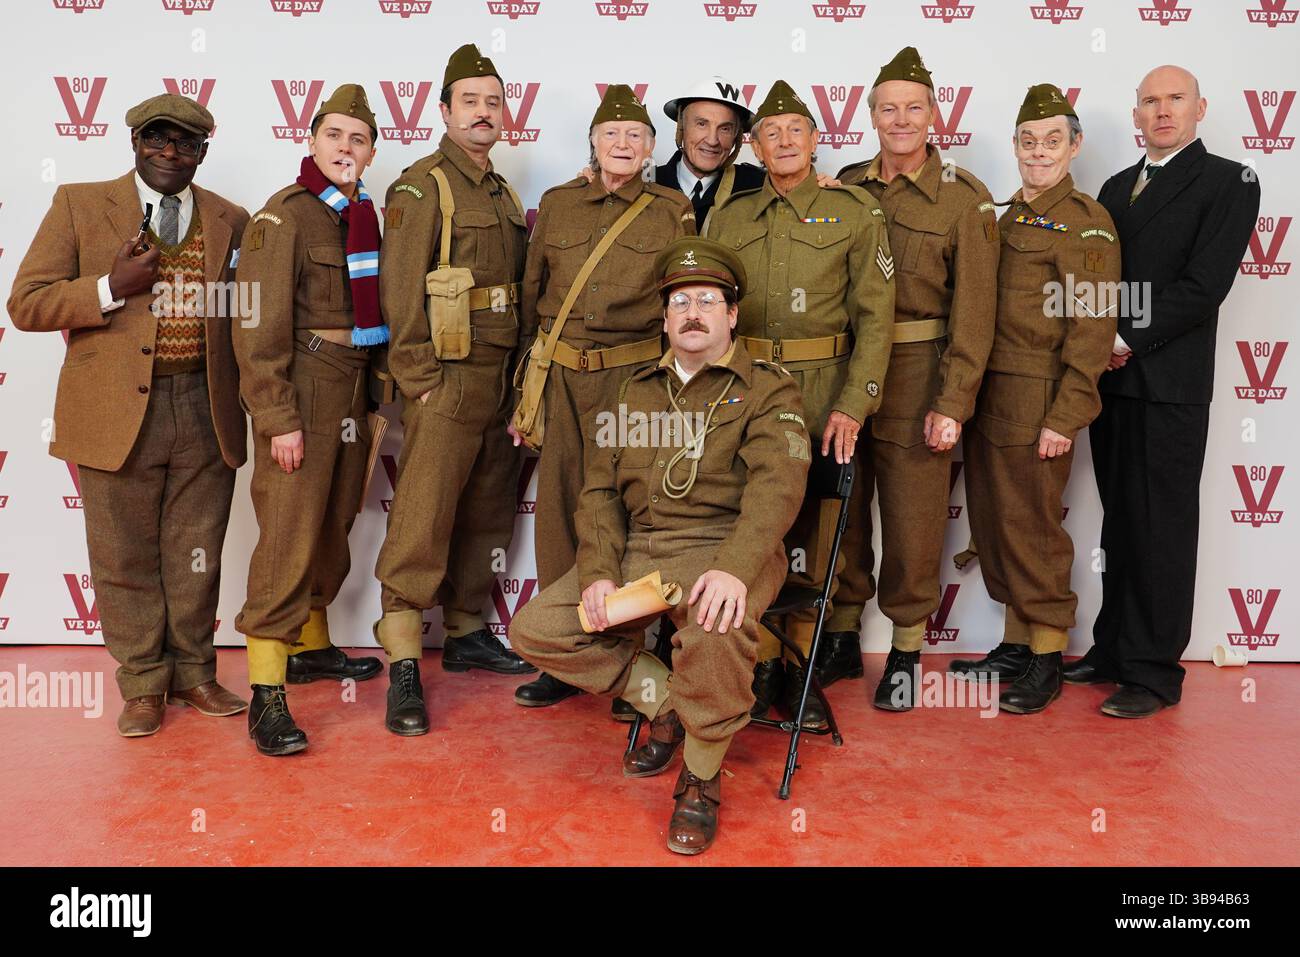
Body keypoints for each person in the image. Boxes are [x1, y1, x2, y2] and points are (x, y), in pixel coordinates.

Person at [509, 237, 810, 855]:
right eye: (680, 302)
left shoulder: (768, 390)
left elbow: (776, 492)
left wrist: (733, 570)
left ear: (732, 314)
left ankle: (700, 780)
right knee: (540, 628)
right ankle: (667, 705)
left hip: (726, 547)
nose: (693, 312)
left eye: (707, 300)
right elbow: (597, 495)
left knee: (714, 630)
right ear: (666, 318)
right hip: (642, 549)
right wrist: (596, 572)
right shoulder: (632, 391)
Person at [8, 93, 250, 737]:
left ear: (204, 152)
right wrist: (109, 287)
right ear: (136, 143)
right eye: (157, 140)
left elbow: (241, 313)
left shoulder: (232, 217)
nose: (170, 153)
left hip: (206, 407)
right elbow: (26, 304)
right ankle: (142, 682)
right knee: (122, 555)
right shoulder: (80, 205)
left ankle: (195, 673)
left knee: (196, 550)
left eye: (186, 144)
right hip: (114, 412)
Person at [1066, 65, 1261, 717]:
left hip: (1168, 384)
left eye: (1175, 98)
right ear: (1136, 115)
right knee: (1122, 520)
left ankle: (1153, 672)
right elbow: (1098, 275)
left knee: (1163, 528)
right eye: (1150, 100)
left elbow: (1203, 287)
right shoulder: (1118, 186)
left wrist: (1120, 339)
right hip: (1111, 385)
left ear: (1200, 107)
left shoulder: (1229, 180)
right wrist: (1092, 342)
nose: (1163, 110)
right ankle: (1116, 648)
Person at [705, 80, 895, 728]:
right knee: (754, 529)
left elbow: (876, 319)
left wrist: (854, 405)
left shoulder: (856, 213)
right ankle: (758, 665)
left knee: (818, 540)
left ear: (817, 141)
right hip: (748, 395)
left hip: (823, 394)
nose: (784, 141)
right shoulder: (729, 217)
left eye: (797, 130)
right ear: (754, 147)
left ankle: (803, 670)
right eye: (771, 133)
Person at [511, 85, 695, 709]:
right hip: (561, 378)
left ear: (651, 149)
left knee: (631, 512)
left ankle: (629, 656)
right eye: (612, 134)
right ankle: (567, 658)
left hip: (632, 383)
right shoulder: (557, 204)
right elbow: (531, 298)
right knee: (560, 512)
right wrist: (524, 396)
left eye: (636, 137)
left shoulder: (671, 211)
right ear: (593, 141)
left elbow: (680, 301)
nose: (623, 145)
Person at [827, 47, 999, 709]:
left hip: (919, 374)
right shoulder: (844, 185)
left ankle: (904, 648)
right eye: (888, 108)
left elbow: (975, 312)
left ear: (935, 114)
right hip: (847, 370)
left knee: (914, 518)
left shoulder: (964, 198)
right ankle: (841, 632)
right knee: (841, 505)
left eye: (914, 107)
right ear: (870, 116)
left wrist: (952, 398)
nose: (901, 119)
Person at [372, 44, 535, 736]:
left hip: (498, 377)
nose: (483, 112)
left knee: (486, 509)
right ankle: (405, 660)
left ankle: (467, 627)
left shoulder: (500, 191)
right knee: (422, 517)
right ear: (444, 111)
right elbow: (400, 294)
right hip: (446, 378)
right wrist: (422, 384)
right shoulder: (421, 185)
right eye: (470, 101)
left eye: (493, 102)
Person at [949, 84, 1121, 715]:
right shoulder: (1003, 214)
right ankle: (1018, 644)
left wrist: (1067, 414)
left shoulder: (1086, 221)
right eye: (1028, 141)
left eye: (1052, 140)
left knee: (1035, 529)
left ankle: (1048, 654)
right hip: (989, 392)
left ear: (1075, 146)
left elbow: (1094, 327)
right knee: (997, 522)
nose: (1038, 152)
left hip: (1039, 396)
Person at [232, 84, 385, 755]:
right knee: (290, 532)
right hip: (303, 391)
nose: (345, 148)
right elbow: (257, 330)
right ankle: (266, 696)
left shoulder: (360, 217)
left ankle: (312, 649)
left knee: (332, 523)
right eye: (335, 136)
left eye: (358, 139)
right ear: (313, 141)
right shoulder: (283, 217)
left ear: (371, 150)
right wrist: (277, 418)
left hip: (351, 388)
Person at [656, 77, 765, 224]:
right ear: (682, 127)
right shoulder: (647, 184)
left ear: (736, 137)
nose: (712, 141)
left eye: (725, 129)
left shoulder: (758, 187)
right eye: (701, 124)